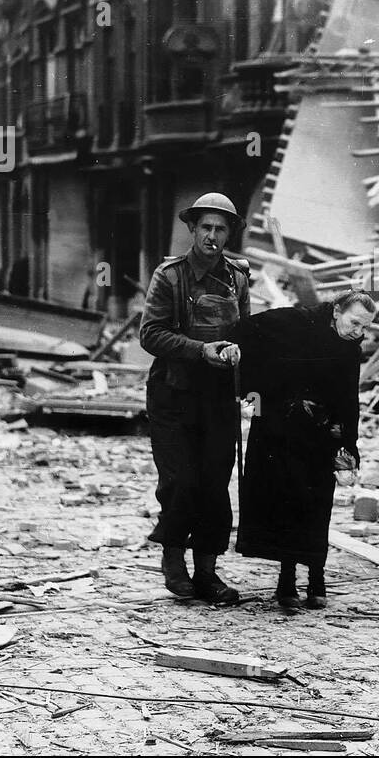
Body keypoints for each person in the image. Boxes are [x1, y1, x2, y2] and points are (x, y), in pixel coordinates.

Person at [232, 289, 376, 610]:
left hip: (320, 436)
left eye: (364, 327)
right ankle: (286, 581)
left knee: (315, 504)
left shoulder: (350, 348)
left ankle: (316, 576)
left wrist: (349, 443)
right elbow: (245, 331)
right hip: (279, 431)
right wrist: (258, 393)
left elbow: (349, 398)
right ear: (336, 311)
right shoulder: (296, 321)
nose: (358, 331)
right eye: (354, 322)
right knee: (285, 501)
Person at [138, 193, 250, 603]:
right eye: (206, 227)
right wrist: (198, 350)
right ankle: (173, 561)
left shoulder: (237, 278)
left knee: (215, 485)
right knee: (180, 481)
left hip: (219, 396)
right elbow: (150, 334)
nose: (213, 236)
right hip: (173, 393)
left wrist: (238, 352)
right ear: (193, 229)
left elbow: (246, 333)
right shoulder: (170, 276)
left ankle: (207, 571)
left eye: (221, 229)